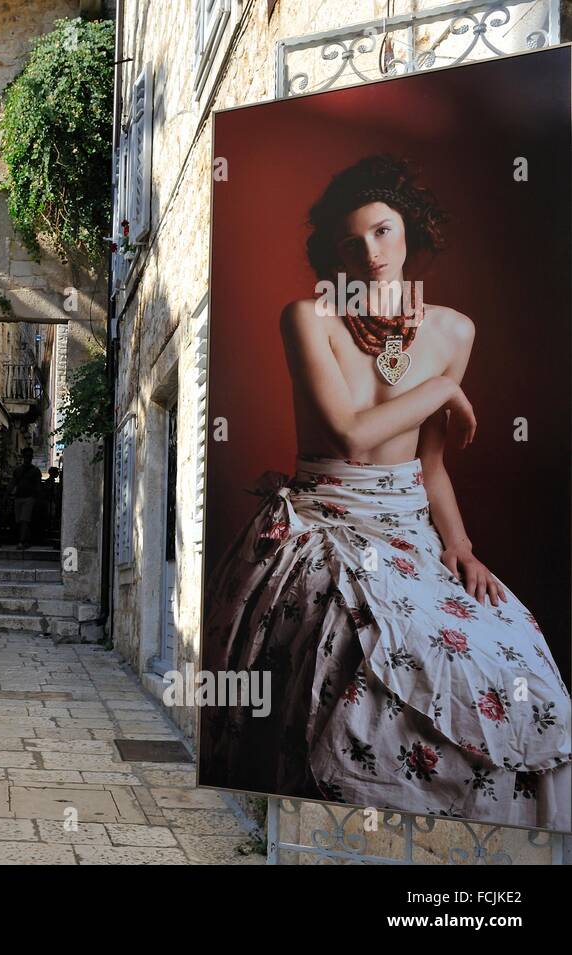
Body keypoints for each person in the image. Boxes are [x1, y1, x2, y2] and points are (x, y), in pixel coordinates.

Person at [201, 155, 570, 829]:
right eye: (352, 241)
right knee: (347, 668)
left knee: (516, 669)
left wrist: (459, 545)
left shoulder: (455, 331)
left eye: (383, 230)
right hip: (326, 522)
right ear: (332, 254)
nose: (371, 251)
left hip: (411, 529)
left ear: (410, 231)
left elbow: (429, 464)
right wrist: (443, 389)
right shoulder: (307, 318)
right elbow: (351, 437)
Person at [11, 447, 42, 549]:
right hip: (19, 497)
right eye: (26, 456)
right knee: (20, 521)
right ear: (23, 457)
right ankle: (26, 540)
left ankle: (22, 541)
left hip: (29, 498)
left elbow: (38, 486)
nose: (27, 458)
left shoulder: (35, 471)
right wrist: (7, 495)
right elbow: (13, 483)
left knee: (24, 520)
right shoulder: (18, 470)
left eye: (29, 456)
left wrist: (37, 499)